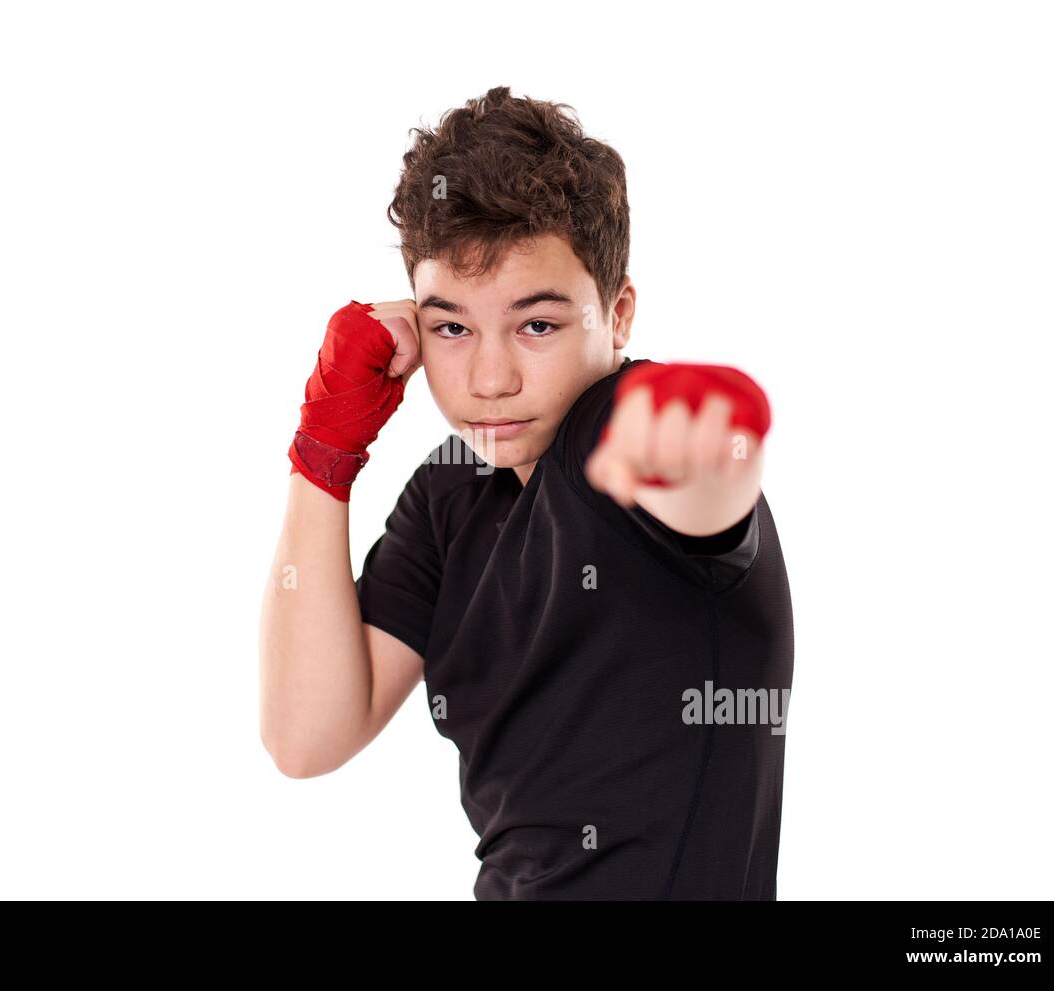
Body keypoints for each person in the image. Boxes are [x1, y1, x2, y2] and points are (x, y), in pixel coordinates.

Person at [260, 86, 794, 900]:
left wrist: (704, 438)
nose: (490, 378)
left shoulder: (613, 430)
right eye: (452, 327)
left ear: (616, 317)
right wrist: (324, 453)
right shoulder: (450, 491)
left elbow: (701, 469)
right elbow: (306, 735)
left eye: (536, 325)